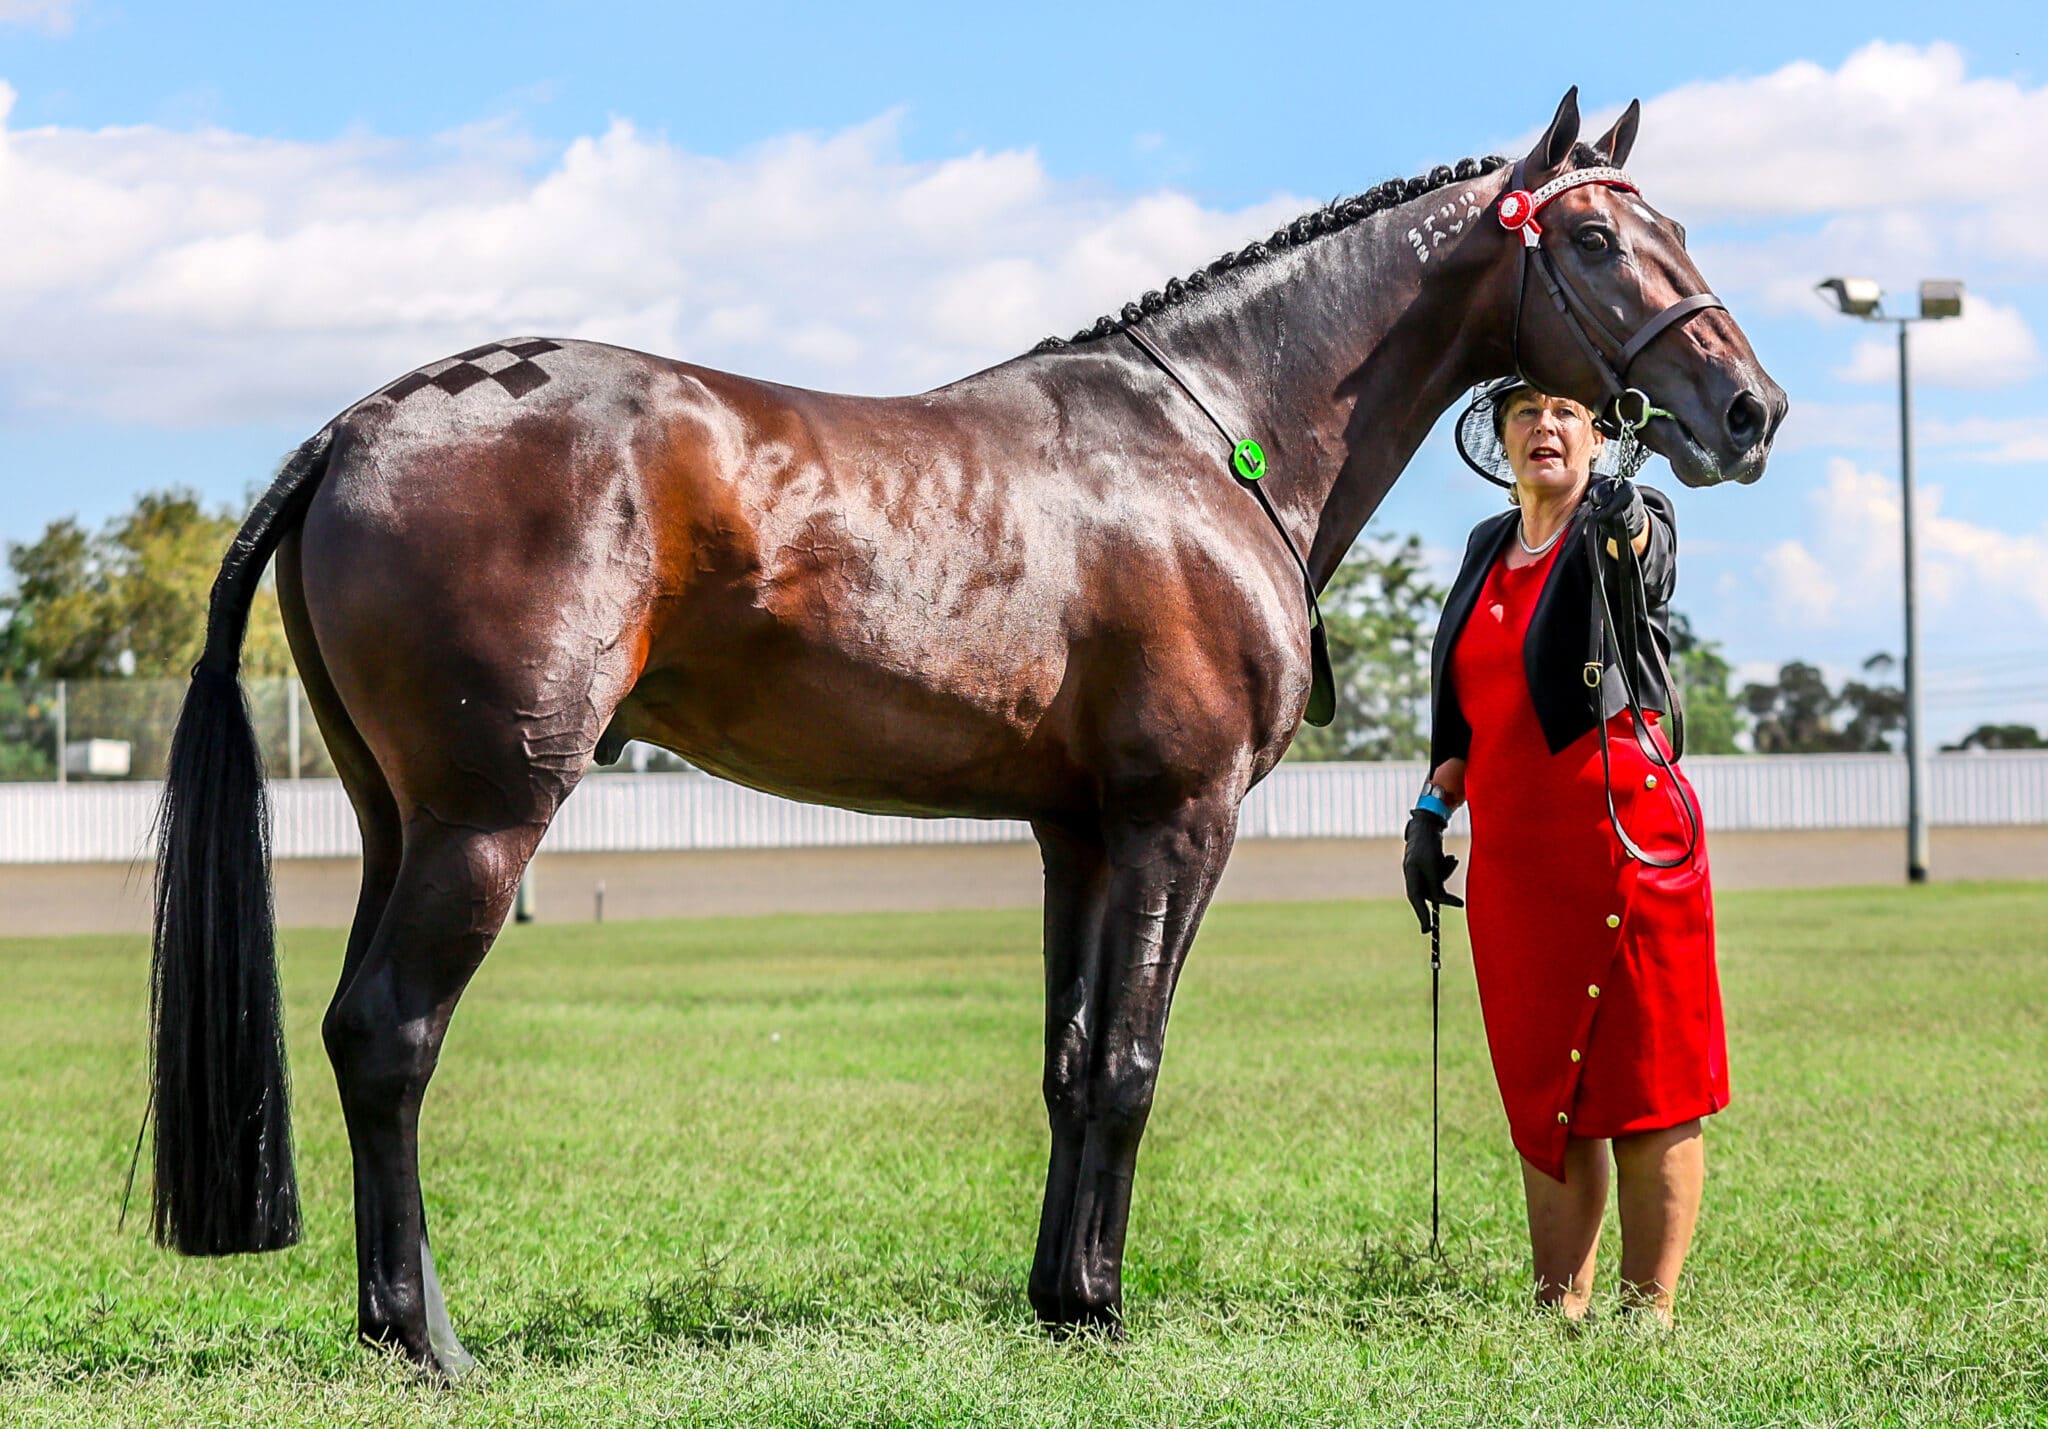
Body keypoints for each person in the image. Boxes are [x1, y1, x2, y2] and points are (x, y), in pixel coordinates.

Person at [1404, 378, 1729, 1326]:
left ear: (1597, 434)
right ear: (1501, 440)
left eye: (1566, 413)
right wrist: (1431, 810)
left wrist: (1626, 510)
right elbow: (1467, 716)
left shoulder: (1624, 518)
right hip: (1516, 868)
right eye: (1525, 413)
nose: (1545, 427)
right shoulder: (1480, 551)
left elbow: (1650, 561)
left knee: (1650, 1086)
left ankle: (1648, 1314)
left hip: (1630, 843)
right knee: (1548, 1094)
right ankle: (1561, 1311)